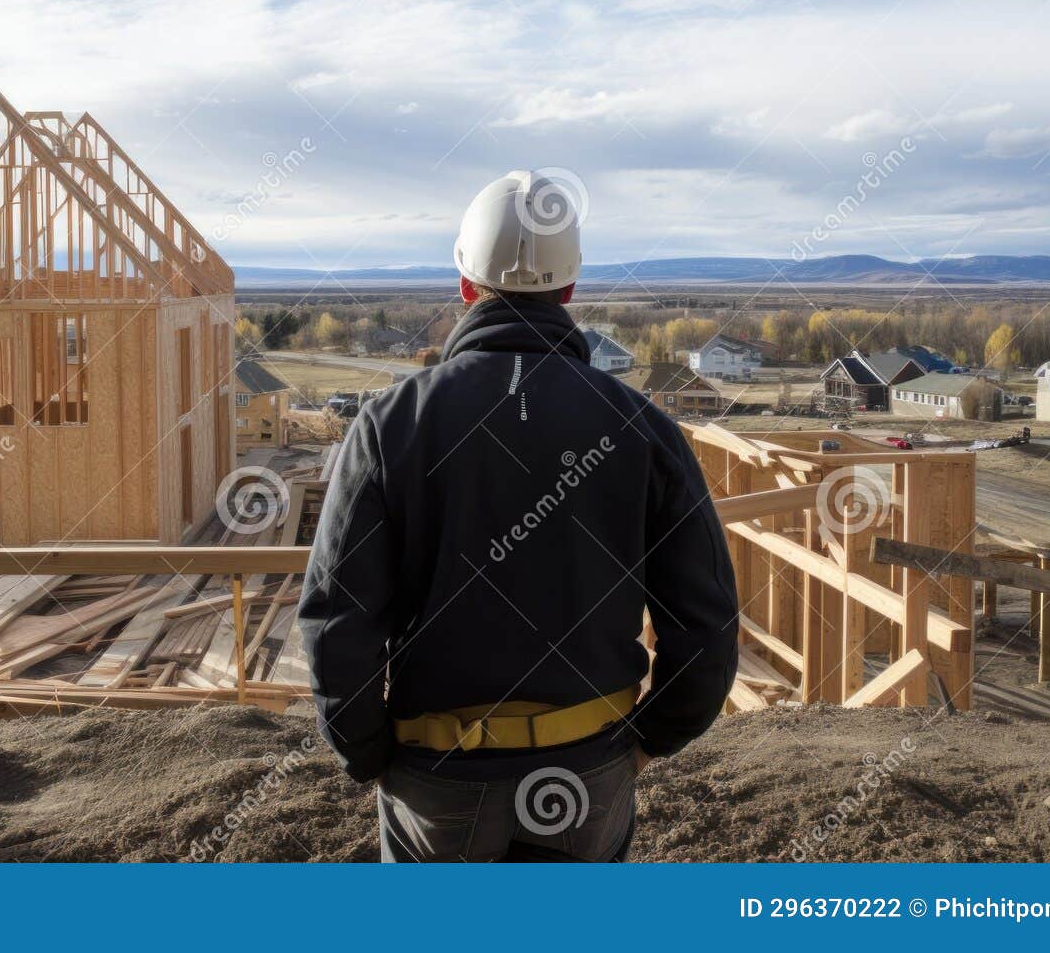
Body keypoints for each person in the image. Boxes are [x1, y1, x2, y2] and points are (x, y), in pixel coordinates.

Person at [296, 170, 738, 862]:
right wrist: (651, 738)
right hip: (589, 767)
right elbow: (707, 622)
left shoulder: (391, 425)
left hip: (437, 774)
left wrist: (369, 752)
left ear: (467, 285)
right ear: (568, 289)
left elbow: (337, 620)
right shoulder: (642, 428)